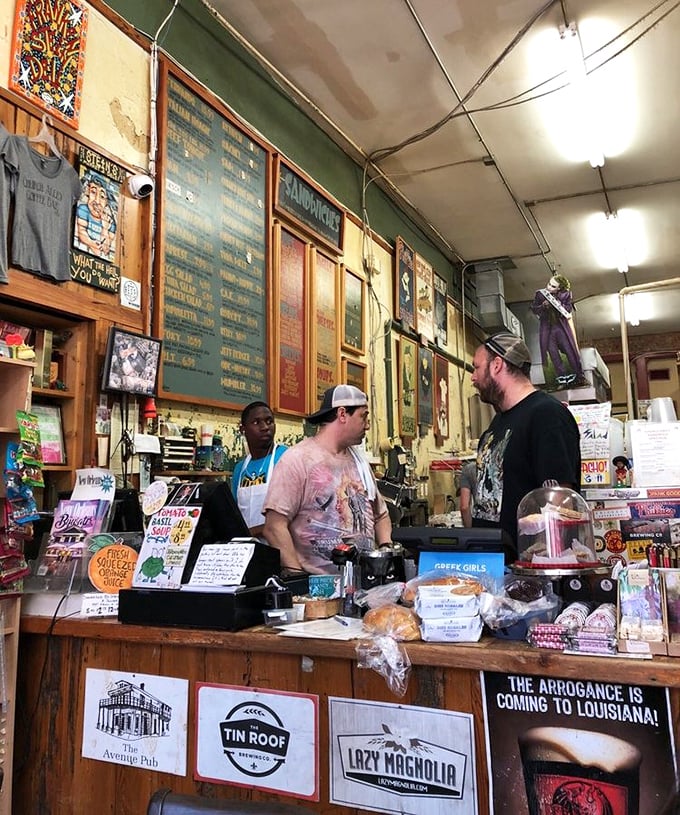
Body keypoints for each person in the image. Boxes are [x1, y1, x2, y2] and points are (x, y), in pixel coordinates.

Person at [262, 384, 392, 575]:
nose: (367, 425)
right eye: (363, 416)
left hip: (364, 583)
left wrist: (386, 551)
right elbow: (274, 526)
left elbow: (380, 515)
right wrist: (297, 577)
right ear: (342, 414)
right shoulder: (298, 459)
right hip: (317, 589)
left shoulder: (360, 463)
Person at [470, 331, 581, 551]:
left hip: (527, 568)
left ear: (497, 365)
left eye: (476, 367)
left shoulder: (547, 415)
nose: (473, 377)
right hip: (493, 564)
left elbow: (559, 502)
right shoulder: (499, 421)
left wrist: (537, 562)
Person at [231, 401, 287, 538]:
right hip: (246, 549)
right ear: (242, 429)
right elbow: (235, 514)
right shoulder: (240, 469)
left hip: (279, 550)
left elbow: (293, 517)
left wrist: (248, 533)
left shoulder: (286, 458)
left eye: (269, 421)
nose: (265, 427)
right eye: (256, 422)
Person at [530, 274, 586, 388]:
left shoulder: (565, 295)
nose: (549, 287)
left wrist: (559, 304)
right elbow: (535, 309)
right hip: (547, 328)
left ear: (559, 288)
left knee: (569, 350)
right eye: (549, 284)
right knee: (552, 353)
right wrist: (543, 306)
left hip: (560, 327)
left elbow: (568, 309)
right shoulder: (540, 294)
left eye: (553, 286)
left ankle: (578, 376)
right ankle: (561, 379)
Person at [459, 461, 477, 528]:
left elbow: (464, 507)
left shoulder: (469, 469)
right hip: (506, 526)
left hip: (481, 526)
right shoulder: (509, 465)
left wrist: (469, 532)